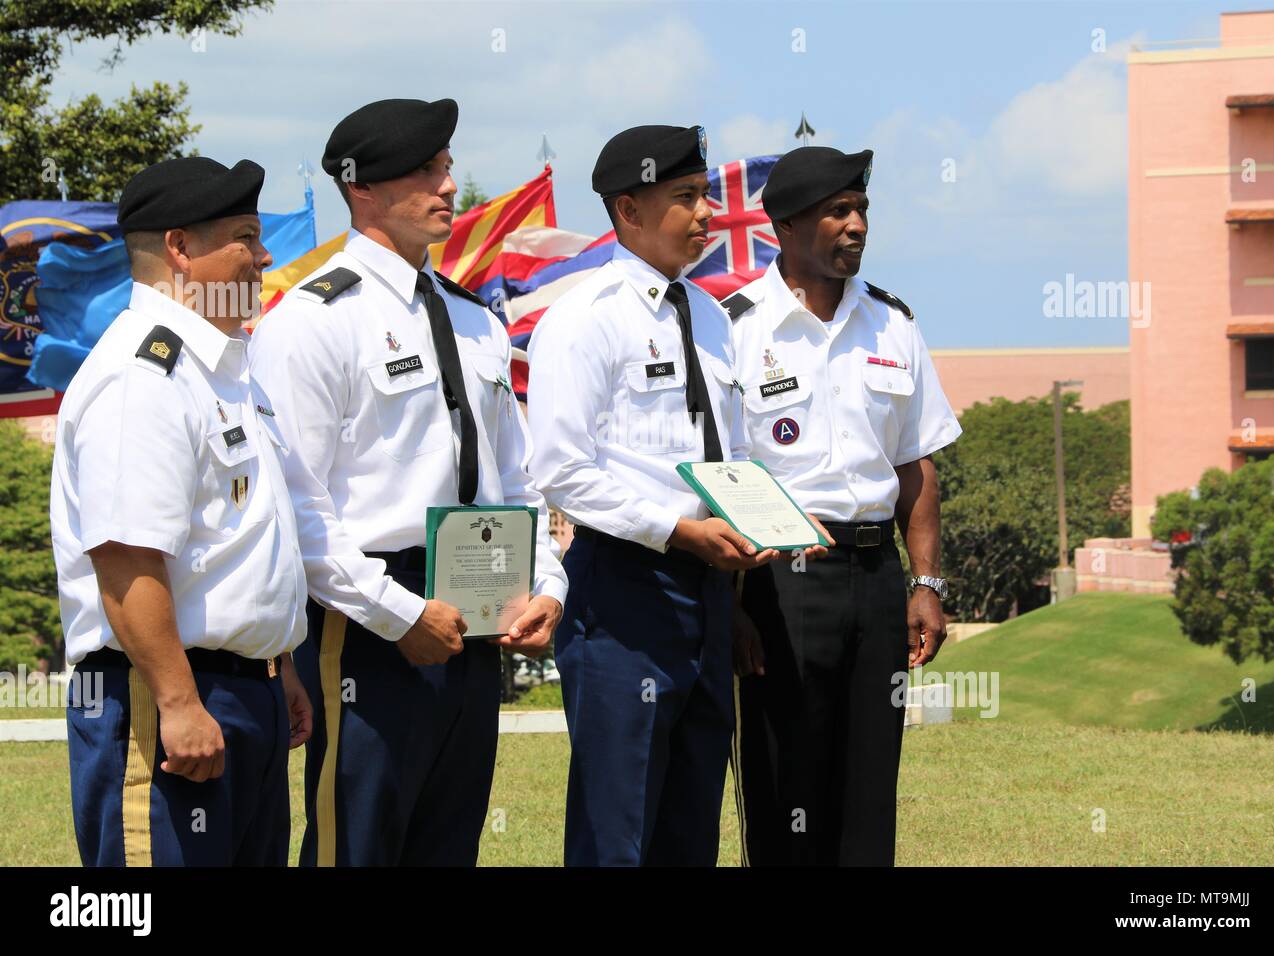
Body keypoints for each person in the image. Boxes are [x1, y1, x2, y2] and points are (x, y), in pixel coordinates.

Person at [249, 97, 567, 867]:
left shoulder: (475, 319)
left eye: (447, 167)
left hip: (479, 601)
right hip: (365, 623)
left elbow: (516, 479)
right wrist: (397, 615)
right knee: (355, 842)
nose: (448, 184)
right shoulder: (313, 321)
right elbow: (301, 508)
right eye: (426, 170)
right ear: (363, 189)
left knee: (447, 841)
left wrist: (546, 581)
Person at [526, 124, 778, 866]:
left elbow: (727, 454)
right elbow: (562, 470)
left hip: (705, 589)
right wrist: (675, 531)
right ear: (628, 210)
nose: (705, 213)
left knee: (690, 822)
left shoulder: (710, 315)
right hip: (623, 586)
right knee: (619, 826)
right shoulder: (585, 317)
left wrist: (738, 560)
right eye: (684, 198)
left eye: (704, 195)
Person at [51, 156, 312, 866]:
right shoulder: (144, 378)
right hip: (163, 695)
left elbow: (238, 544)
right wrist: (176, 700)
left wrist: (276, 665)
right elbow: (126, 558)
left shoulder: (224, 370)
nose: (264, 258)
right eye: (245, 238)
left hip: (235, 693)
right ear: (180, 249)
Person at [723, 145, 961, 866]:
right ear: (785, 225)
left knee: (868, 789)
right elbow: (719, 474)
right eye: (837, 211)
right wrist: (728, 601)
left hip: (875, 579)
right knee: (784, 781)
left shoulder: (894, 323)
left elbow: (915, 466)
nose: (856, 225)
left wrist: (924, 581)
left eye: (861, 210)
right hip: (777, 579)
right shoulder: (733, 327)